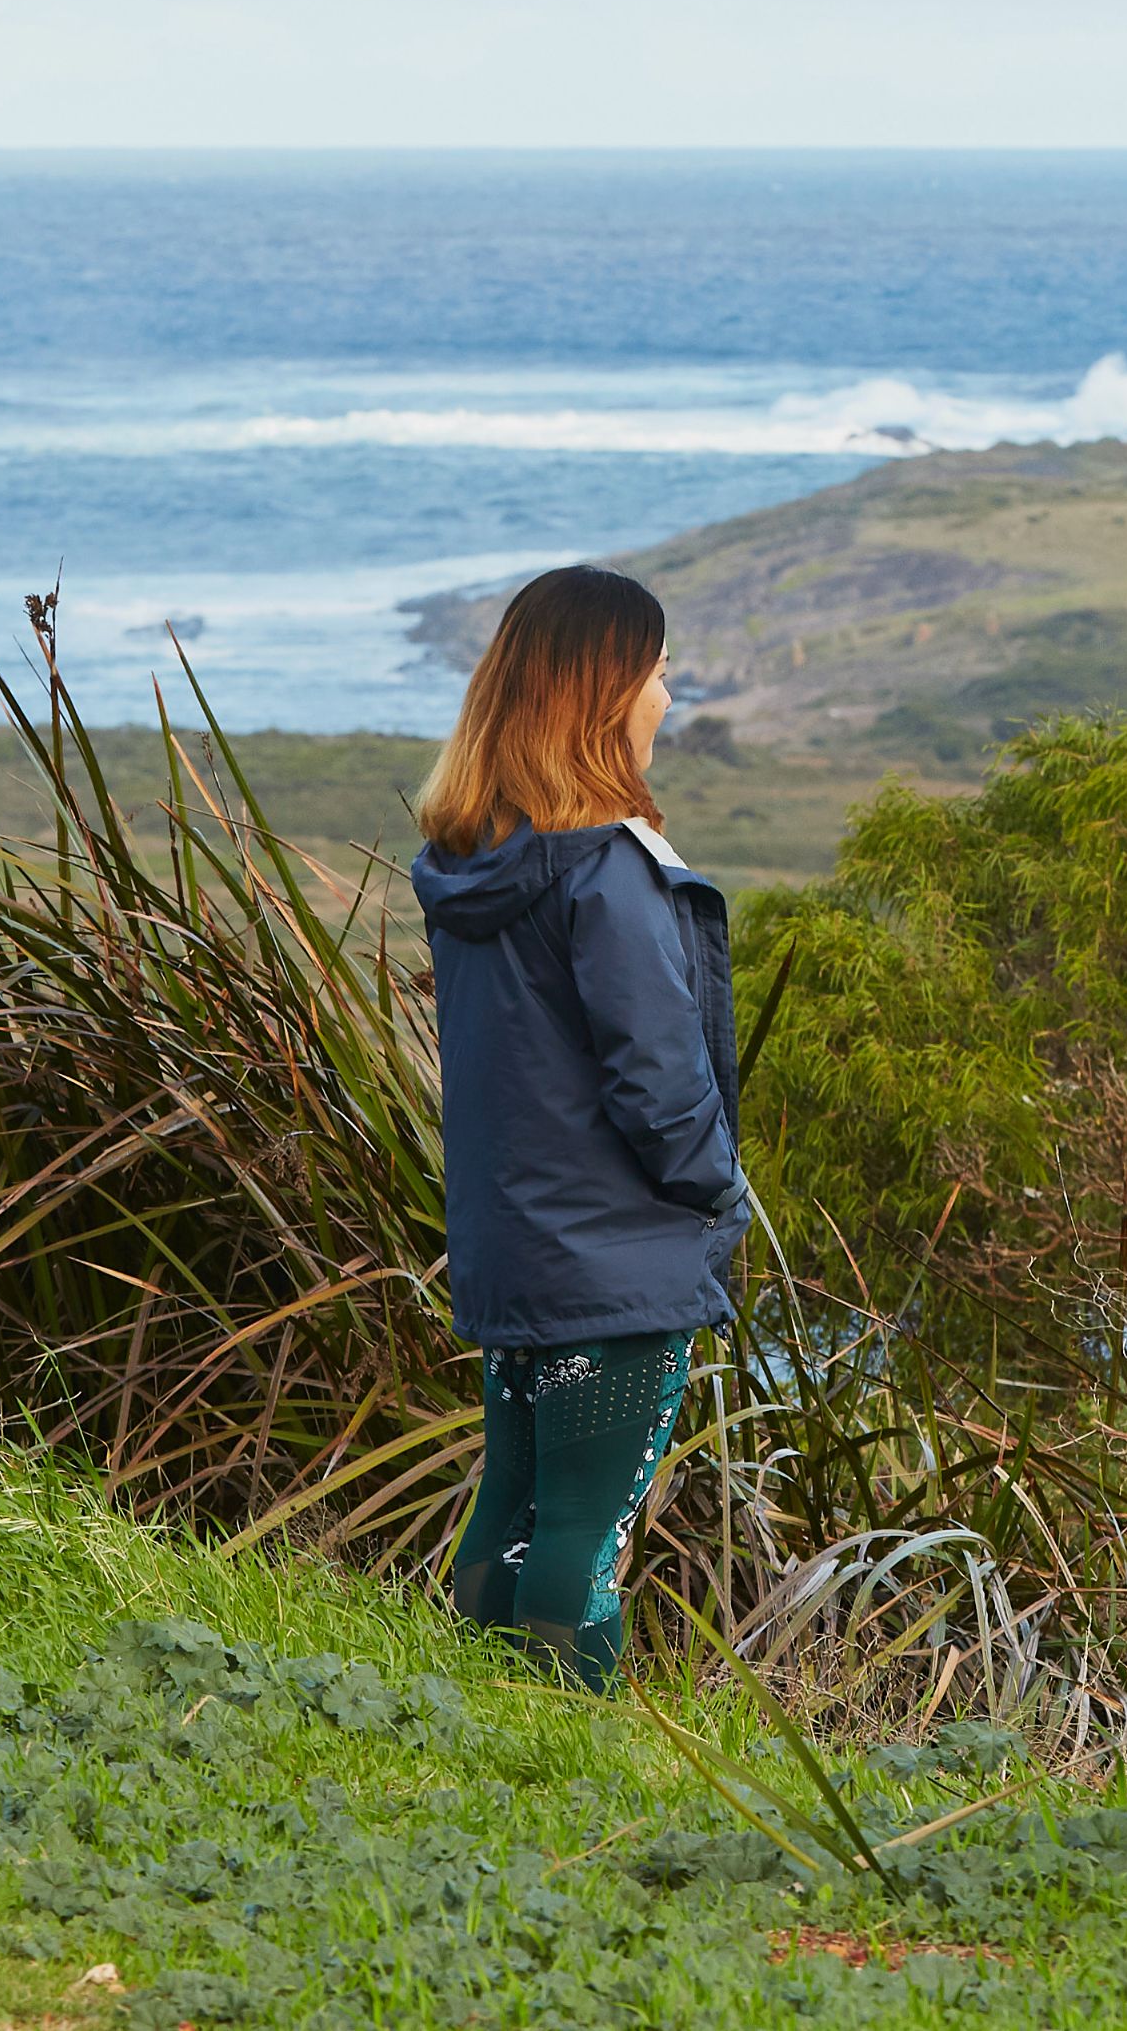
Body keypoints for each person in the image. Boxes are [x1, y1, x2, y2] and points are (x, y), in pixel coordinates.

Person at [407, 566, 744, 1692]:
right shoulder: (606, 873)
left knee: (513, 1506)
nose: (665, 693)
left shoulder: (468, 863)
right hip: (617, 1252)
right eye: (655, 671)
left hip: (521, 1244)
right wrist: (715, 1192)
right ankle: (568, 1753)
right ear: (601, 697)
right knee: (584, 1535)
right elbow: (658, 1075)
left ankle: (481, 1730)